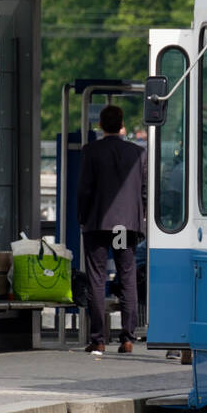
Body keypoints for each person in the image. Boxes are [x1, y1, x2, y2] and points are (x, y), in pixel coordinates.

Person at [76, 105, 145, 355]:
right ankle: (127, 337)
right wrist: (140, 217)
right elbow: (144, 189)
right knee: (127, 277)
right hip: (125, 225)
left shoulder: (91, 151)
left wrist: (82, 217)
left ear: (101, 125)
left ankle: (98, 339)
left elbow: (84, 189)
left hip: (97, 223)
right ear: (122, 124)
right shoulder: (138, 153)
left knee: (96, 278)